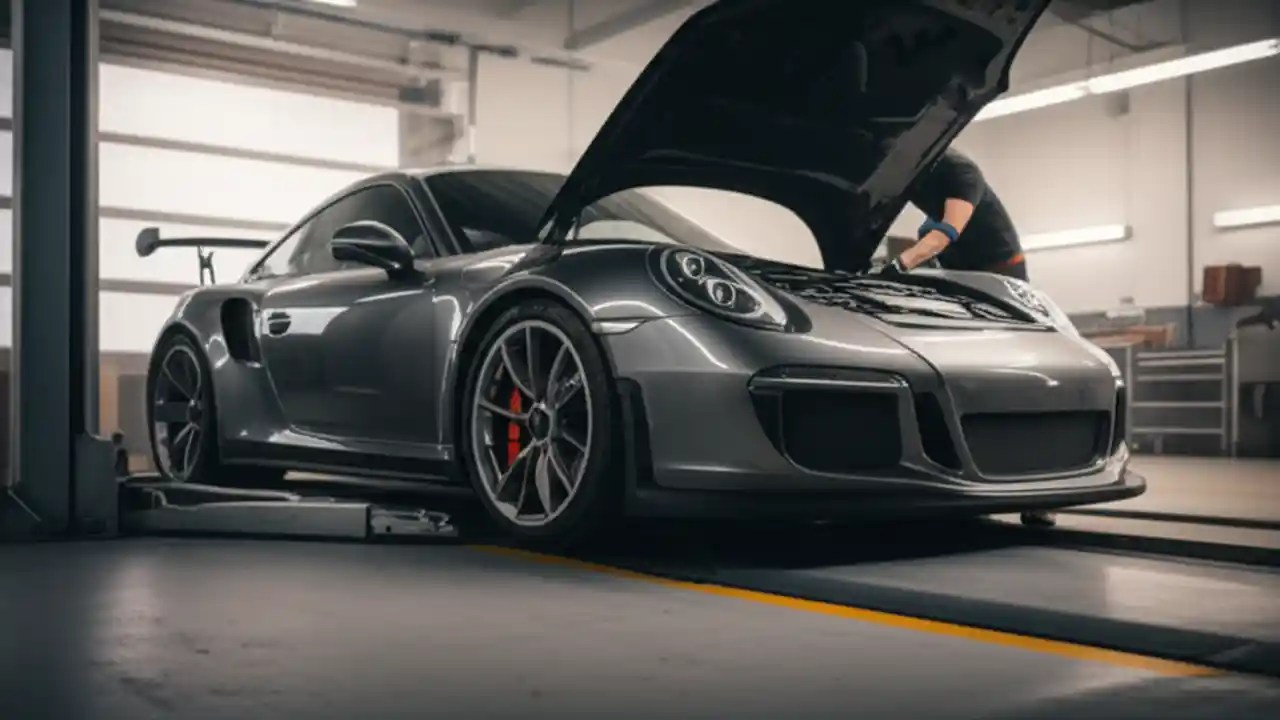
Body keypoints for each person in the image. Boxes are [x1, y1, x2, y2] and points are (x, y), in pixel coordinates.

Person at [877, 148, 1053, 528]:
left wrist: (896, 266)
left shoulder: (961, 173)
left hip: (999, 282)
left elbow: (943, 236)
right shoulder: (910, 173)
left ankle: (1040, 495)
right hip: (957, 282)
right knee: (958, 380)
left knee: (1013, 385)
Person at [877, 147, 1028, 281]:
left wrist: (900, 264)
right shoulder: (906, 174)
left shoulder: (961, 172)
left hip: (1001, 269)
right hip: (959, 266)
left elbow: (945, 233)